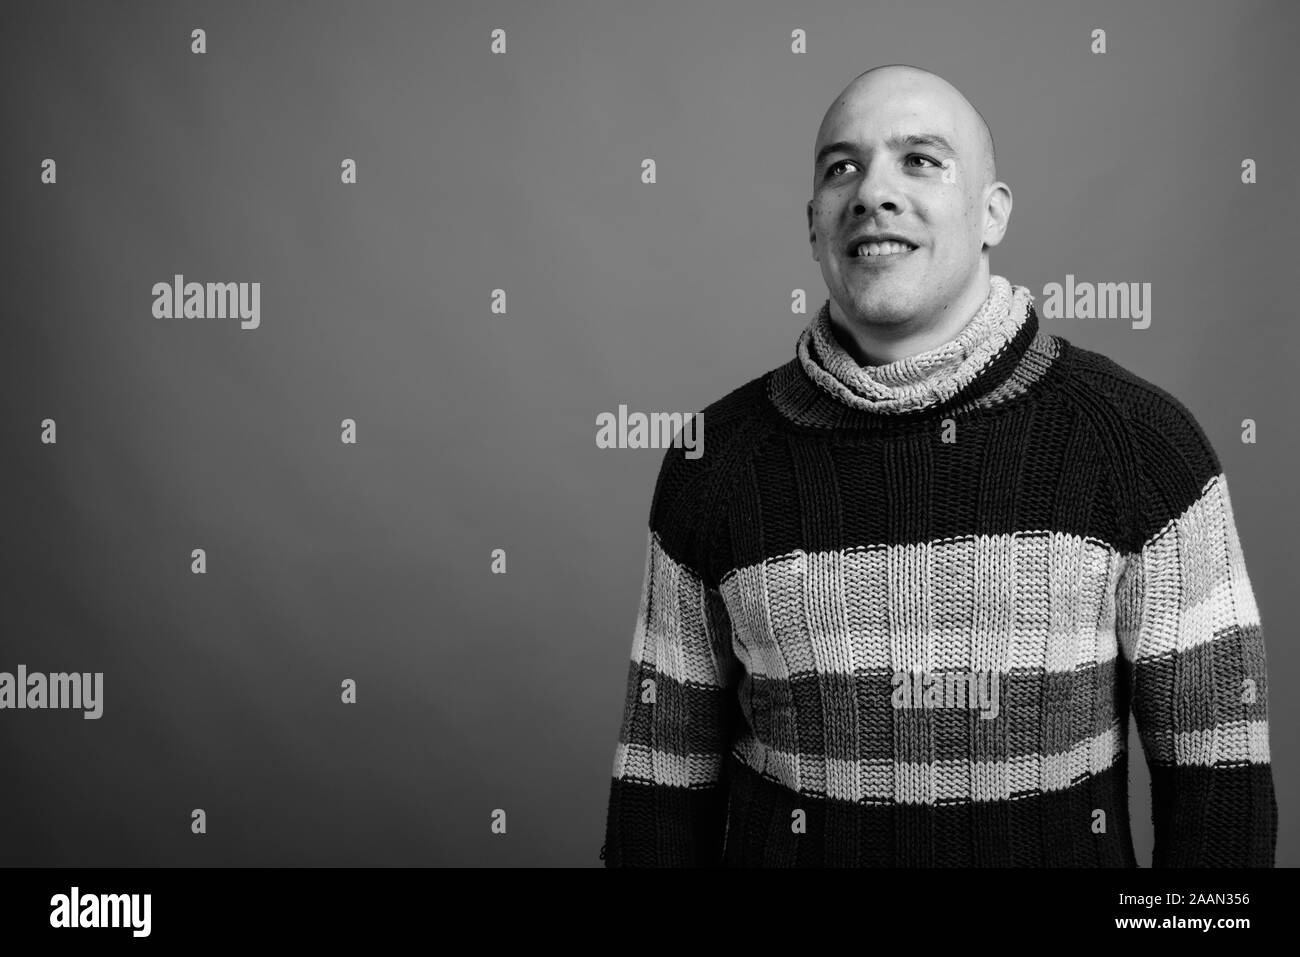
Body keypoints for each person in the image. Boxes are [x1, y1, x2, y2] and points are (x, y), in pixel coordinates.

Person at [600, 64, 1277, 867]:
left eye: (921, 159)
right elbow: (659, 793)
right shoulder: (712, 462)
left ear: (992, 213)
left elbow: (1219, 790)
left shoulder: (1142, 445)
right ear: (813, 224)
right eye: (841, 166)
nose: (872, 192)